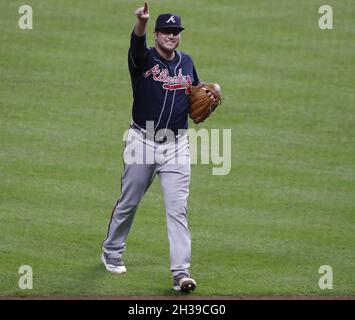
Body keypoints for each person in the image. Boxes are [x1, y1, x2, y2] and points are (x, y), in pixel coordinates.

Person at [101, 2, 200, 292]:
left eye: (175, 31)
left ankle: (181, 273)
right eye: (166, 31)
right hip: (141, 142)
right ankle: (111, 250)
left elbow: (195, 92)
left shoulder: (187, 62)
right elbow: (135, 43)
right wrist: (141, 22)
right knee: (129, 201)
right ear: (156, 34)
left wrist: (210, 92)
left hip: (177, 145)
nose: (171, 35)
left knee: (178, 209)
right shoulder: (142, 60)